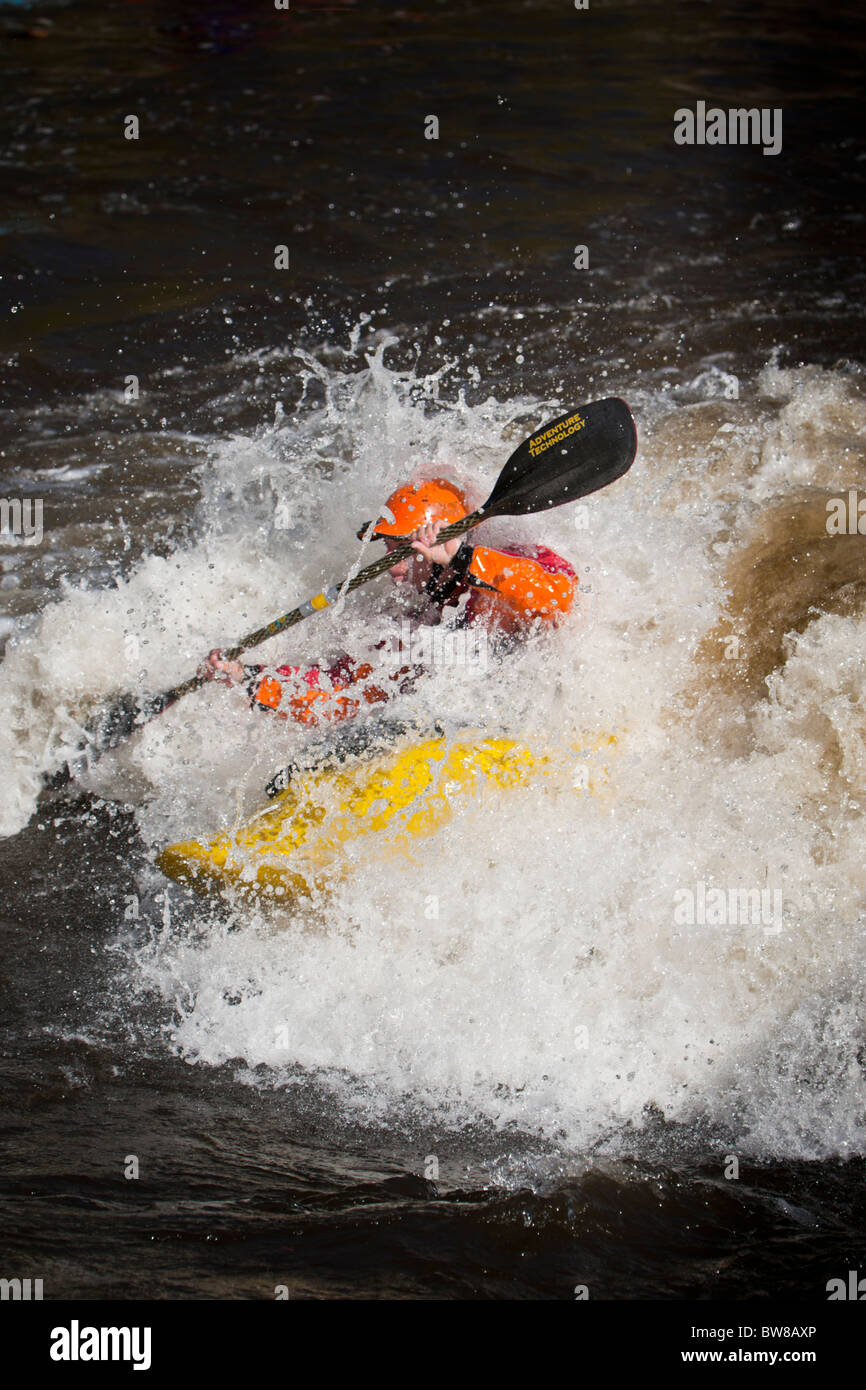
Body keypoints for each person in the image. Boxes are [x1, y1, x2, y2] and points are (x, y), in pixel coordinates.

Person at [201, 477, 577, 726]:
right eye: (387, 550)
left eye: (400, 552)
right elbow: (342, 693)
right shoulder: (412, 621)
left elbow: (559, 596)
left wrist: (463, 558)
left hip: (537, 717)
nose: (392, 571)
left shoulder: (502, 567)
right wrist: (246, 677)